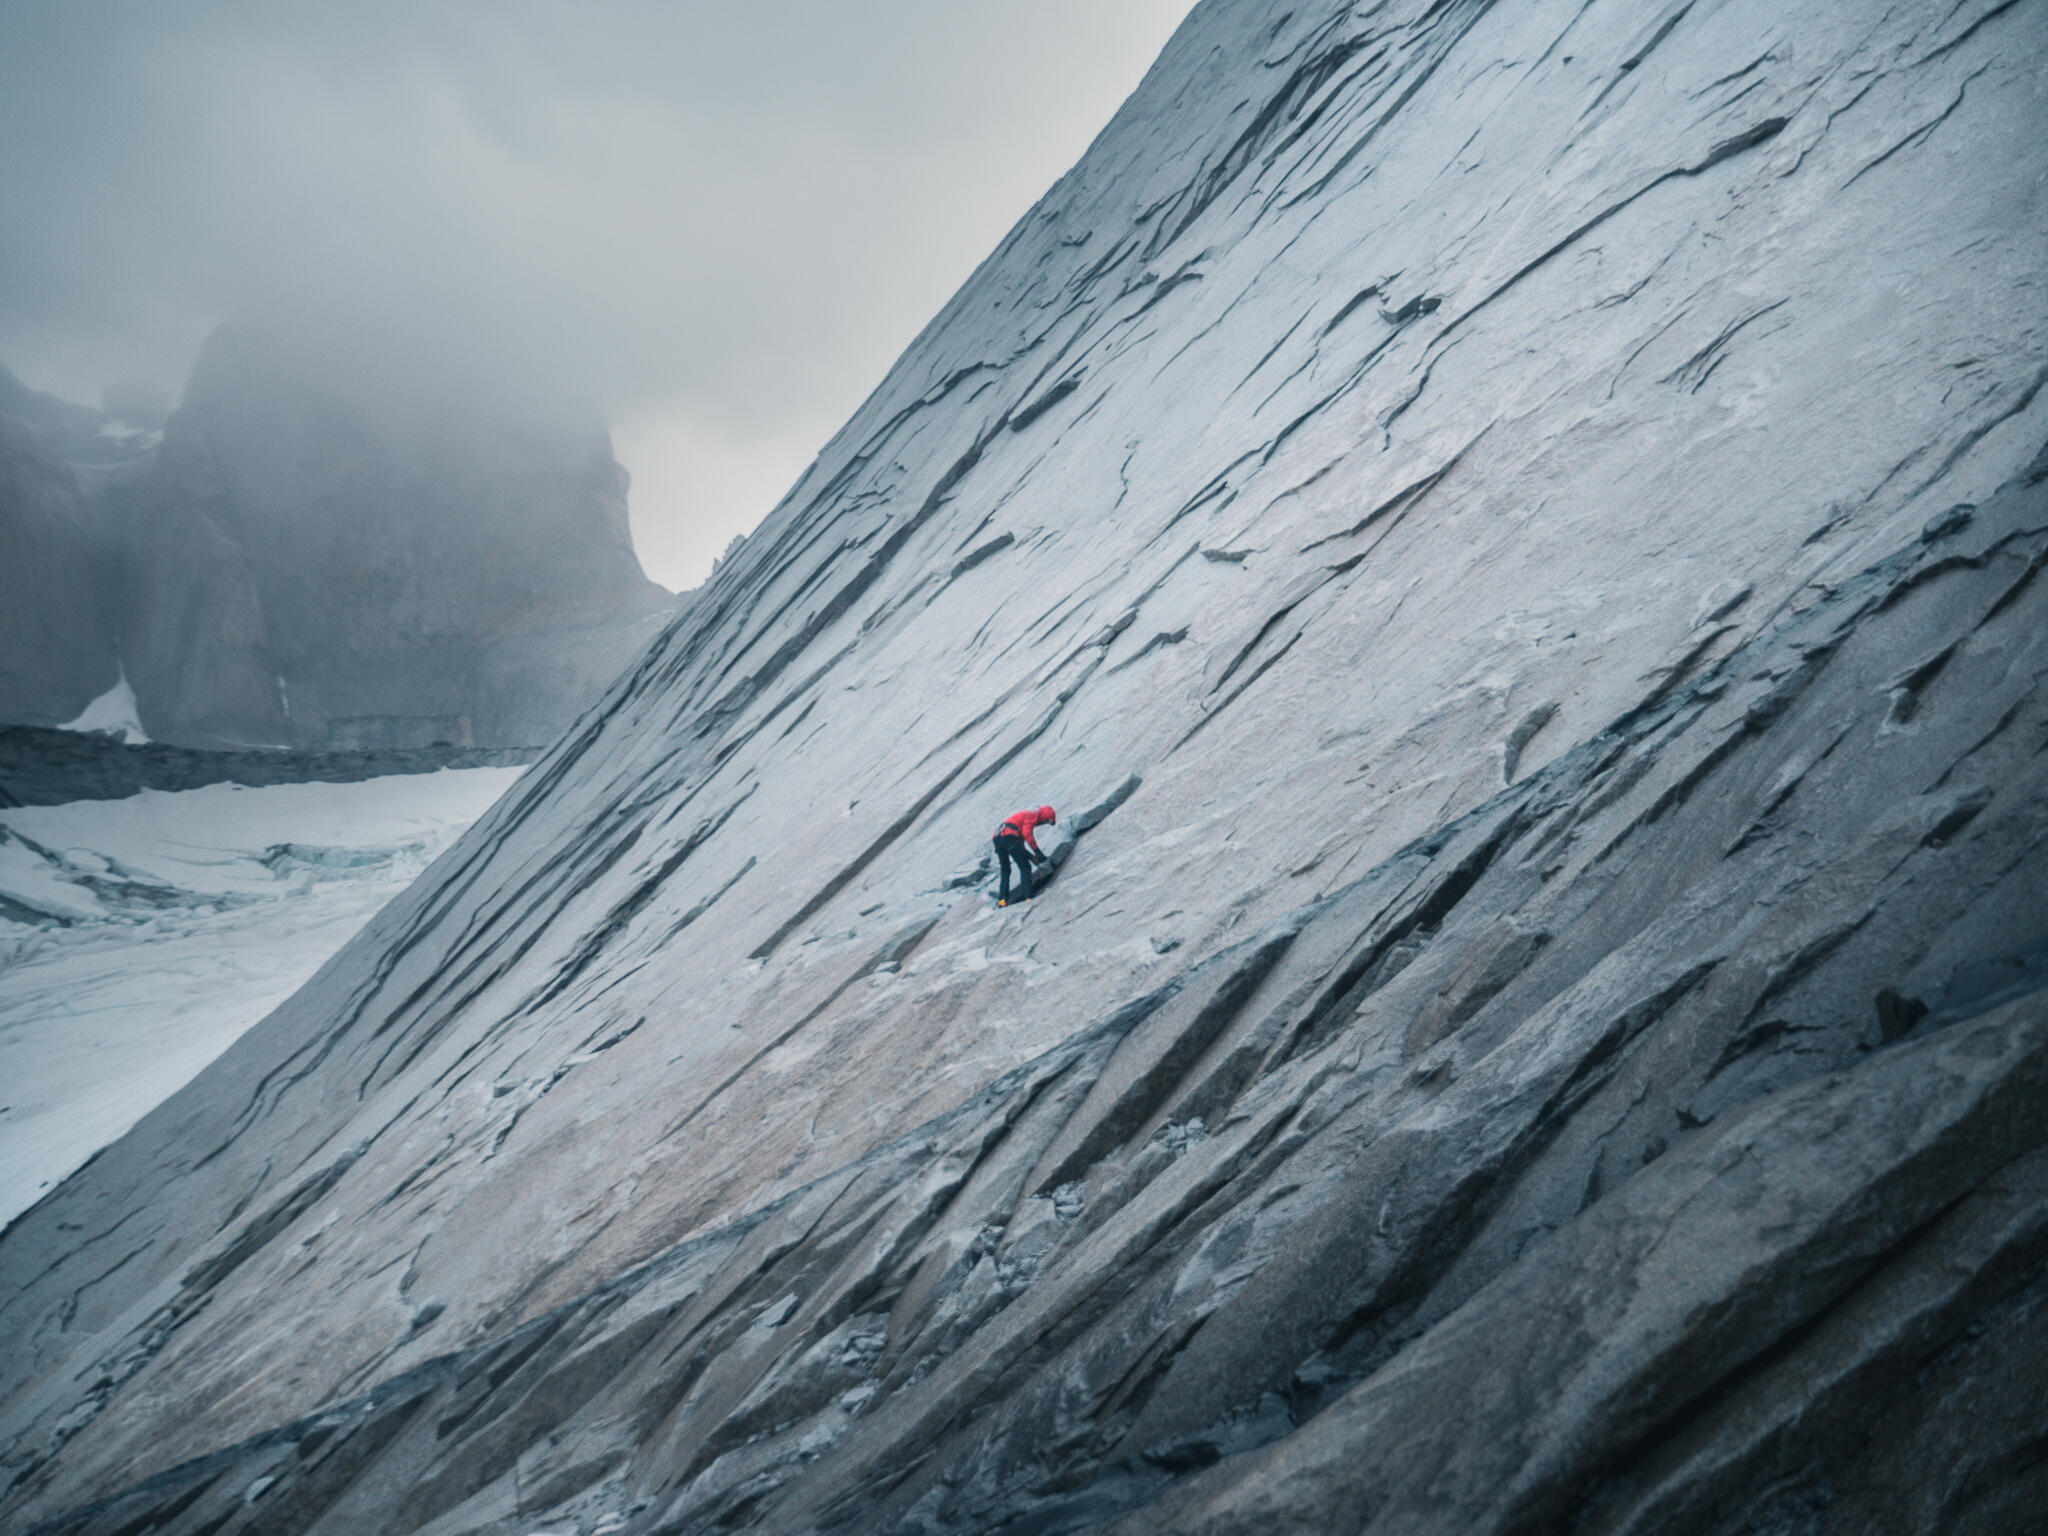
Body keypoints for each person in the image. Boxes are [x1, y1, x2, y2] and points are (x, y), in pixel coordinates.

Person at [992, 804, 1056, 906]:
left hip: (997, 837)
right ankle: (1028, 897)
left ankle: (1002, 900)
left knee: (1005, 869)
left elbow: (1019, 847)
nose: (1043, 823)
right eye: (1046, 821)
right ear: (1043, 816)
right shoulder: (1032, 816)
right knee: (1025, 867)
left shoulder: (1022, 817)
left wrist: (1031, 857)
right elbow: (1028, 836)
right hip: (1009, 836)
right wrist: (1038, 852)